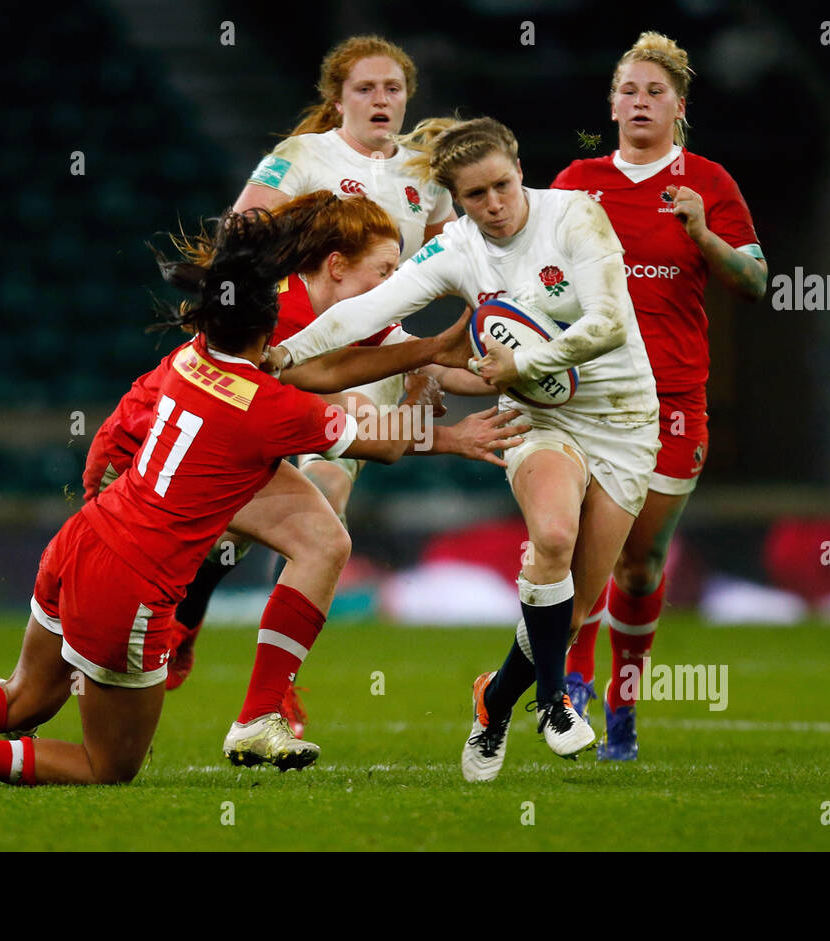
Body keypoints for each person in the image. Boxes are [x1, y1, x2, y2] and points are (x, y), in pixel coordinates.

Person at [0, 206, 480, 787]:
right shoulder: (275, 408)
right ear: (272, 331)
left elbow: (131, 425)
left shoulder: (185, 360)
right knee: (107, 765)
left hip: (80, 539)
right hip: (133, 587)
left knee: (23, 696)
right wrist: (448, 425)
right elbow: (383, 442)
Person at [265, 115, 662, 782]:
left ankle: (496, 696)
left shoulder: (575, 216)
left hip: (624, 418)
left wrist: (527, 364)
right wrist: (285, 354)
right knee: (554, 537)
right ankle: (554, 700)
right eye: (475, 196)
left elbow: (609, 322)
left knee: (571, 613)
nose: (495, 205)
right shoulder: (456, 247)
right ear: (456, 199)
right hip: (539, 419)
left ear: (517, 167)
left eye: (503, 186)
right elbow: (365, 313)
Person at [172, 34, 486, 730]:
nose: (381, 100)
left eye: (393, 89)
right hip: (295, 345)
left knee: (323, 505)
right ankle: (191, 607)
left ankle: (271, 692)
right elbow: (237, 236)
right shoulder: (302, 158)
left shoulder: (423, 170)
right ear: (337, 98)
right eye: (367, 89)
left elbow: (451, 262)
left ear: (408, 98)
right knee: (262, 523)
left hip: (369, 351)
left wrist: (425, 359)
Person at [551, 31, 766, 759]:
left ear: (678, 105)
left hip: (674, 394)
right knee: (580, 539)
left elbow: (756, 279)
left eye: (655, 91)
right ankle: (572, 687)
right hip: (587, 392)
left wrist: (704, 234)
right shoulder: (578, 180)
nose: (640, 101)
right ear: (611, 104)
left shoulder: (708, 180)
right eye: (629, 90)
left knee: (637, 560)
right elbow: (536, 272)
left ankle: (624, 698)